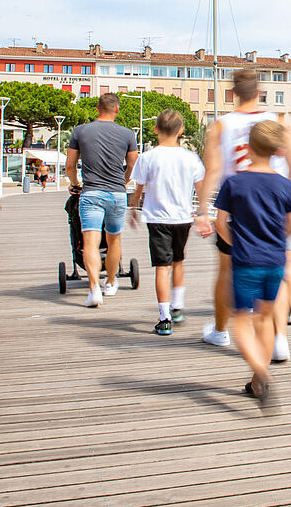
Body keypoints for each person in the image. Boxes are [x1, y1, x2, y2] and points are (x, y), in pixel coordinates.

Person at [200, 68, 291, 361]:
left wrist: (202, 211)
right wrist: (285, 197)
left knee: (227, 271)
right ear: (259, 92)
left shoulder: (219, 125)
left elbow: (213, 170)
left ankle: (220, 331)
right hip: (275, 209)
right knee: (277, 275)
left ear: (233, 93)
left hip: (237, 210)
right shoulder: (278, 123)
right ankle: (279, 338)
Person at [213, 120, 291, 400]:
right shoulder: (284, 184)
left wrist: (235, 243)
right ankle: (257, 380)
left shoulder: (234, 182)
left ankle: (261, 372)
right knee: (264, 320)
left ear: (248, 148)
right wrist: (274, 240)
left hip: (245, 260)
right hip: (274, 261)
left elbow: (220, 224)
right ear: (276, 151)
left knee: (240, 319)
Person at [128, 109, 213, 336]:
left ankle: (164, 319)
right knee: (178, 261)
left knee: (161, 268)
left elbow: (138, 188)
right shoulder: (190, 158)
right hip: (183, 218)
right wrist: (202, 212)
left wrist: (134, 209)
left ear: (155, 129)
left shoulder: (147, 157)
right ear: (181, 131)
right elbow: (200, 188)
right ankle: (177, 307)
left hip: (157, 219)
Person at [66, 93, 139, 308]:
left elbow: (70, 165)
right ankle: (111, 282)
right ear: (117, 109)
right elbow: (133, 165)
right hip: (116, 194)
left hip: (91, 194)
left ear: (97, 108)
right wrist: (123, 182)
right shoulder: (127, 134)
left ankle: (94, 289)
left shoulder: (80, 131)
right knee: (114, 239)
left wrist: (75, 183)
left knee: (90, 242)